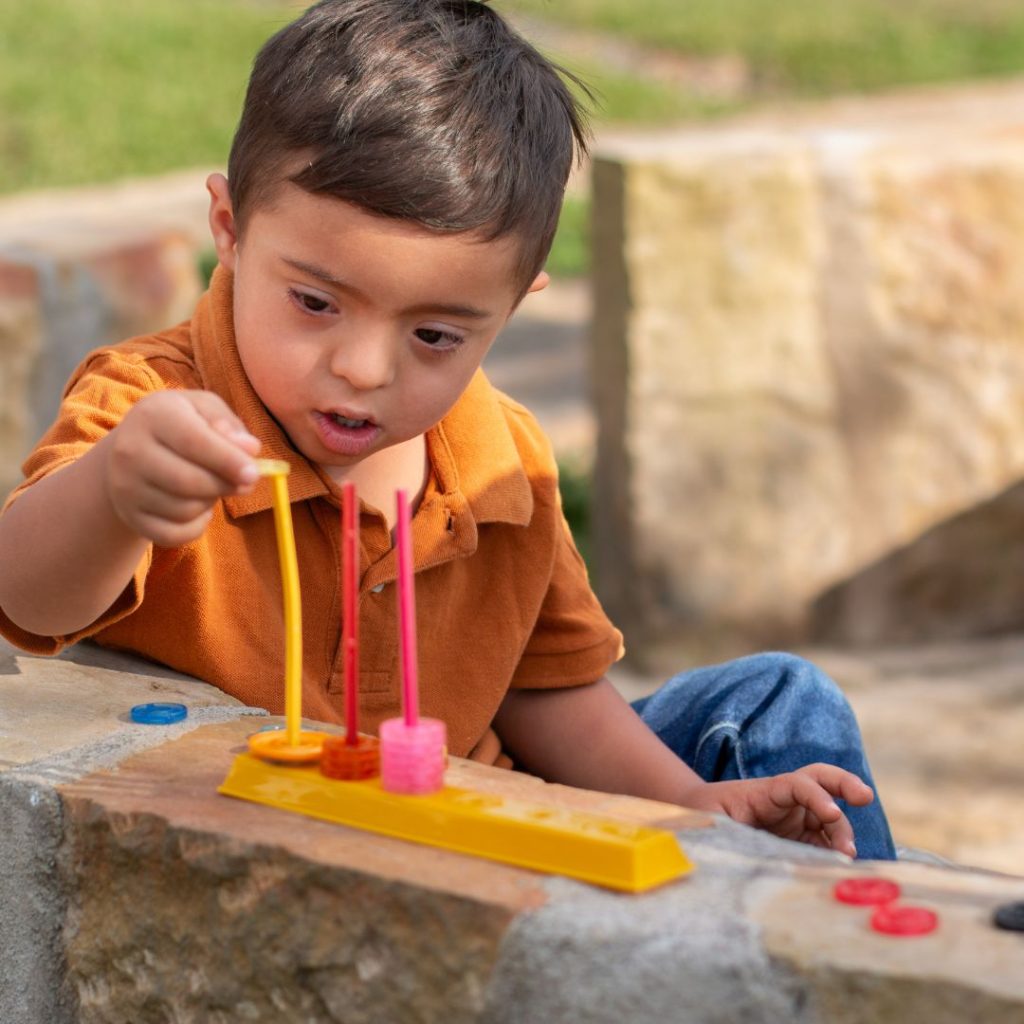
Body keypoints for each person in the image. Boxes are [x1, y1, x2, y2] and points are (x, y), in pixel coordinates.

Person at [0, 0, 895, 859]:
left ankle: (852, 938)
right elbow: (25, 598)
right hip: (278, 826)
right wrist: (115, 493)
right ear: (229, 230)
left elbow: (547, 689)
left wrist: (692, 804)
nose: (364, 368)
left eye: (434, 336)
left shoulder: (503, 463)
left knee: (783, 700)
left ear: (512, 305)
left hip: (480, 810)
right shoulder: (155, 404)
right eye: (315, 302)